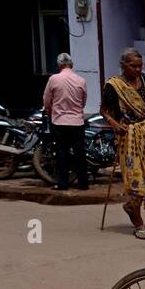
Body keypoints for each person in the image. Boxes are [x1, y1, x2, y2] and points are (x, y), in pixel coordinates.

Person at [101, 48, 145, 239]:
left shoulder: (142, 80)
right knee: (136, 179)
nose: (137, 69)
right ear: (123, 65)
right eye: (133, 66)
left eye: (139, 66)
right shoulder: (114, 85)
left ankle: (130, 207)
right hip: (128, 137)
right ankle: (138, 222)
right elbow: (104, 111)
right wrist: (115, 125)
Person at [42, 52, 88, 191]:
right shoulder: (81, 80)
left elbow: (47, 100)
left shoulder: (53, 79)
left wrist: (50, 112)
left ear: (59, 65)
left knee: (62, 152)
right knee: (80, 153)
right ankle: (83, 184)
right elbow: (83, 101)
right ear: (72, 64)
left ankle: (63, 183)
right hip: (77, 122)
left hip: (60, 122)